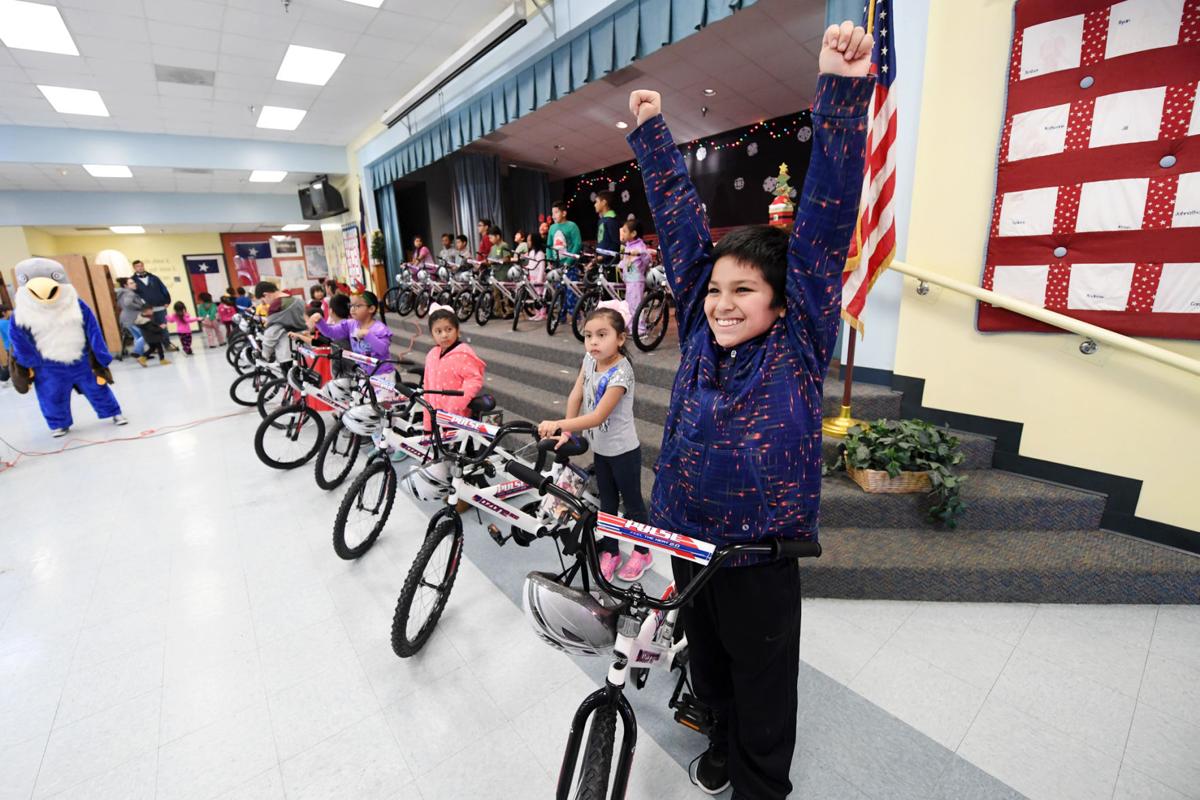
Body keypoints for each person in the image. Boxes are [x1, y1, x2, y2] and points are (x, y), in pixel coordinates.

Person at [623, 22, 874, 798]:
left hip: (761, 556)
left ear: (778, 301)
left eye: (745, 291)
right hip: (688, 536)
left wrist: (841, 92)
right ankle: (725, 747)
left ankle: (763, 783)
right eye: (717, 289)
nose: (725, 304)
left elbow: (827, 218)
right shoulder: (700, 328)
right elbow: (678, 226)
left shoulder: (798, 339)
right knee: (710, 665)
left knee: (765, 681)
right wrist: (653, 138)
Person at [537, 304, 651, 581]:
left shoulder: (622, 373)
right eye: (588, 336)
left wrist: (559, 424)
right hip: (601, 448)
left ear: (620, 339)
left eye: (602, 335)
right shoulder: (589, 360)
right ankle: (611, 550)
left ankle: (642, 551)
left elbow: (598, 415)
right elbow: (576, 394)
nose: (593, 342)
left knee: (633, 503)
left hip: (624, 451)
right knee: (608, 502)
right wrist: (566, 430)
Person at [422, 304, 486, 426]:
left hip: (457, 418)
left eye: (449, 329)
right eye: (438, 331)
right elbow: (427, 389)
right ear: (432, 334)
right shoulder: (431, 355)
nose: (444, 335)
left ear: (458, 331)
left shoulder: (463, 353)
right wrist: (427, 424)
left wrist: (456, 404)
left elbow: (474, 380)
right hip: (436, 416)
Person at [309, 291, 393, 375]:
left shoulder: (380, 328)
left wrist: (367, 334)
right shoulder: (350, 324)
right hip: (362, 374)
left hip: (382, 375)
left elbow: (383, 350)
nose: (352, 309)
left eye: (357, 306)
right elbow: (330, 332)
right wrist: (320, 322)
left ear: (371, 309)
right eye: (351, 305)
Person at [255, 281, 307, 367]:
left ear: (266, 294)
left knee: (289, 378)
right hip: (305, 349)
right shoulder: (298, 300)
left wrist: (265, 354)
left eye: (263, 300)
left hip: (287, 352)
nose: (266, 303)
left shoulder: (277, 306)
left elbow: (272, 333)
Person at [131, 259, 176, 349]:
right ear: (134, 268)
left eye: (141, 266)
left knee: (163, 326)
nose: (140, 268)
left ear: (143, 266)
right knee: (150, 329)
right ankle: (154, 348)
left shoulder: (154, 278)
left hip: (160, 307)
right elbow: (133, 295)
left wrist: (167, 301)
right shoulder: (132, 280)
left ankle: (167, 345)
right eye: (137, 266)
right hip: (146, 310)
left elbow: (163, 288)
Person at [547, 200, 582, 315]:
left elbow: (577, 244)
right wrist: (550, 259)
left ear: (564, 213)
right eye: (552, 213)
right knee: (559, 290)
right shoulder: (552, 228)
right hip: (557, 264)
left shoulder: (572, 226)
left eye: (556, 212)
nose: (553, 216)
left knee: (571, 291)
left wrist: (569, 260)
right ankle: (560, 317)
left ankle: (574, 316)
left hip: (570, 264)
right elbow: (549, 245)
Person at [619, 219, 652, 327]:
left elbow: (647, 258)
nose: (622, 233)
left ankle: (640, 329)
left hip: (636, 280)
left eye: (624, 231)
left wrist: (640, 252)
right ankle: (631, 327)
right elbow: (626, 261)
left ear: (633, 233)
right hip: (629, 280)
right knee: (629, 305)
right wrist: (620, 266)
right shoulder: (628, 245)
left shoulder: (640, 245)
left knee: (636, 305)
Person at [115, 277, 146, 357]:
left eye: (134, 282)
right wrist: (140, 306)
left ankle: (141, 355)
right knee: (144, 335)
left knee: (137, 336)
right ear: (126, 285)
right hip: (132, 318)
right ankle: (137, 352)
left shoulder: (121, 293)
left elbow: (120, 305)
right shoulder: (130, 293)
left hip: (125, 318)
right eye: (131, 283)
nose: (134, 284)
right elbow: (128, 303)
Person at [594, 190, 621, 259]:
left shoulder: (611, 220)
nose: (595, 205)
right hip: (601, 262)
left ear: (604, 202)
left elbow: (616, 243)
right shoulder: (602, 220)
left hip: (611, 263)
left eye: (596, 202)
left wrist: (603, 257)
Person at [0, 303, 12, 385]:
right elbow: (12, 334)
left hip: (8, 345)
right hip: (12, 345)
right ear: (4, 313)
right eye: (9, 311)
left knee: (11, 362)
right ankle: (5, 379)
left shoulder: (2, 322)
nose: (10, 312)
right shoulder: (5, 323)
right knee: (12, 363)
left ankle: (5, 379)